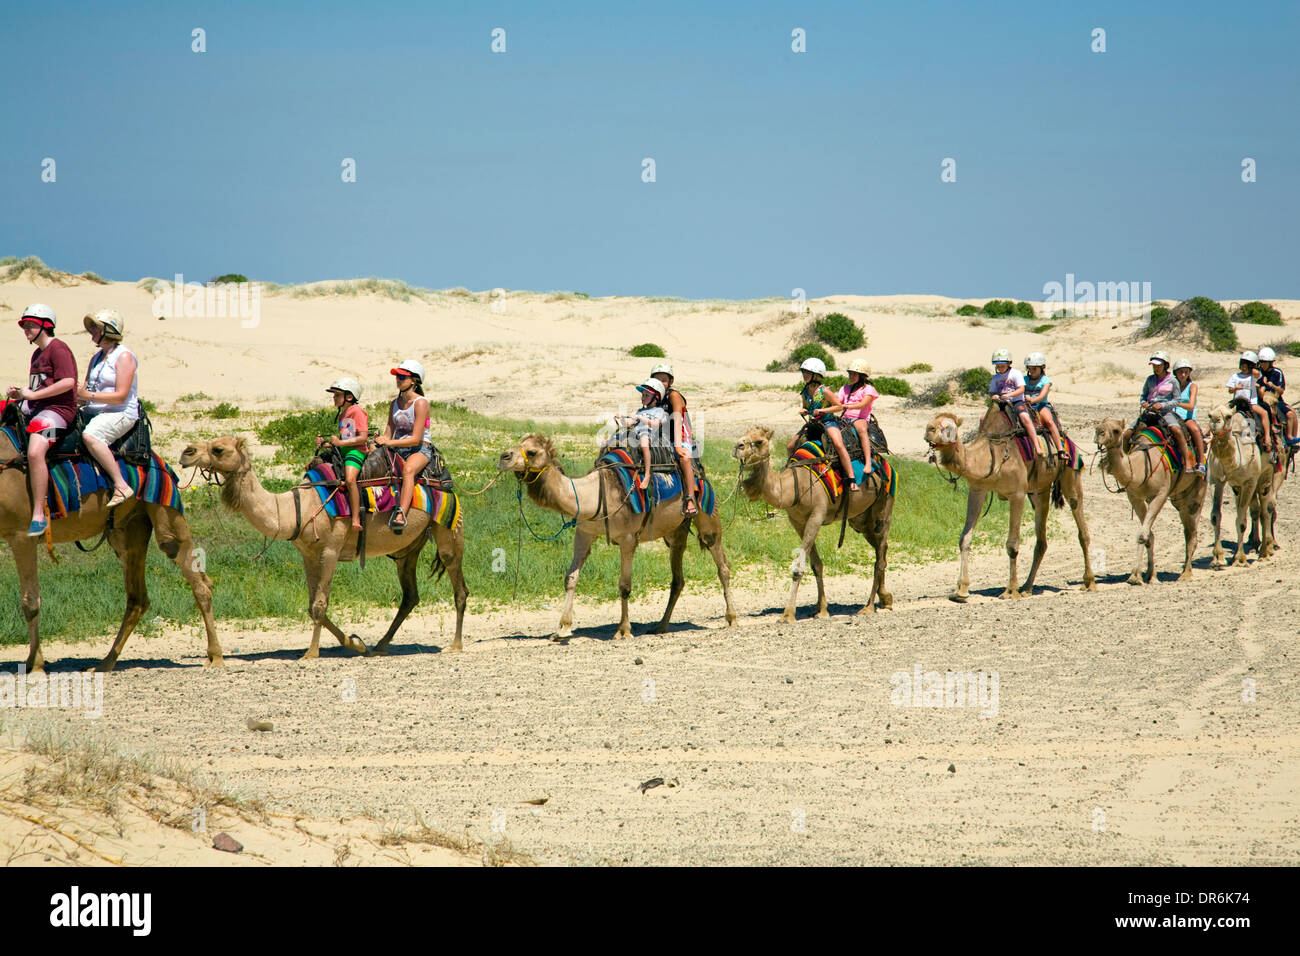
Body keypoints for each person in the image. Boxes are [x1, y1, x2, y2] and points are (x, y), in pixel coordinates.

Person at [6, 304, 77, 536]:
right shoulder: (36, 354)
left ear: (46, 326)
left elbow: (68, 382)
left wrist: (34, 395)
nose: (26, 329)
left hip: (58, 411)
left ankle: (38, 513)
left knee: (36, 451)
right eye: (24, 325)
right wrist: (21, 394)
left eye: (31, 325)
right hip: (37, 407)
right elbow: (40, 386)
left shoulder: (59, 348)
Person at [76, 310, 140, 509]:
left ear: (108, 330)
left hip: (120, 412)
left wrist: (88, 396)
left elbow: (121, 395)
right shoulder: (96, 358)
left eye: (96, 327)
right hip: (94, 410)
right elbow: (85, 390)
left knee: (91, 437)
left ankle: (121, 485)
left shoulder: (124, 356)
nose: (92, 331)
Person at [372, 359, 430, 534]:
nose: (398, 380)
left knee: (408, 471)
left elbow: (415, 439)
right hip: (398, 447)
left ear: (414, 380)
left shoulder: (421, 403)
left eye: (402, 377)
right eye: (397, 376)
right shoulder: (394, 404)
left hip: (419, 449)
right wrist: (378, 441)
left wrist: (389, 442)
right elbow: (389, 431)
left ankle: (401, 513)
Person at [787, 357, 858, 491]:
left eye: (807, 372)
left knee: (838, 444)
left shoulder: (824, 391)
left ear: (816, 375)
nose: (804, 375)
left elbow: (839, 407)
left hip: (828, 422)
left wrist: (822, 410)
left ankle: (851, 478)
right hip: (813, 424)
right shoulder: (805, 391)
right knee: (790, 446)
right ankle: (791, 473)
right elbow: (807, 407)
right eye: (803, 372)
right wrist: (804, 411)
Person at [317, 377, 368, 533]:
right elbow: (347, 437)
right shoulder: (344, 413)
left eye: (337, 395)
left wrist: (340, 443)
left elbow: (363, 438)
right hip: (344, 450)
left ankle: (355, 518)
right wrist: (325, 443)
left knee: (350, 479)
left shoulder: (357, 412)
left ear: (349, 397)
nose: (334, 398)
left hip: (356, 451)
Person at [649, 363, 699, 515]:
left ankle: (690, 498)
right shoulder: (654, 398)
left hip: (681, 437)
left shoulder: (674, 396)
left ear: (670, 381)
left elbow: (677, 419)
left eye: (663, 380)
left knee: (684, 458)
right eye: (657, 380)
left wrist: (678, 445)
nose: (660, 383)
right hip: (662, 439)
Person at [821, 359, 879, 484]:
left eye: (854, 374)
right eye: (850, 374)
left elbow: (863, 404)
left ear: (862, 375)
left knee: (861, 429)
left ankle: (868, 463)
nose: (851, 376)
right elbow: (838, 401)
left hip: (860, 418)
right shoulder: (845, 388)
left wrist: (847, 406)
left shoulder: (868, 389)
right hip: (845, 418)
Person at [1136, 350, 1195, 470]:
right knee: (1128, 432)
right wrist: (1144, 403)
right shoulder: (1149, 379)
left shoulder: (1173, 381)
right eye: (1154, 365)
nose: (1156, 368)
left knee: (1176, 431)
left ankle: (1187, 462)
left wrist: (1162, 406)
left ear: (1165, 366)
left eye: (1159, 365)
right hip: (1149, 412)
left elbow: (1177, 400)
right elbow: (1143, 396)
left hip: (1165, 413)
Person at [614, 379, 668, 489]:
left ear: (656, 397)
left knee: (644, 441)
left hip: (649, 435)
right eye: (642, 395)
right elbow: (628, 424)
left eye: (646, 395)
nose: (643, 398)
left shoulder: (659, 411)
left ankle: (647, 474)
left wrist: (640, 418)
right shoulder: (638, 411)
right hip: (635, 434)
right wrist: (622, 418)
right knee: (610, 440)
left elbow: (655, 424)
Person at [988, 349, 1043, 455]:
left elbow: (1021, 389)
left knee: (1025, 417)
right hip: (1001, 404)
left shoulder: (1016, 373)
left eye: (1002, 365)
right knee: (983, 418)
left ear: (1009, 363)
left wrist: (1009, 395)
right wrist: (994, 396)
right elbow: (992, 392)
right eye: (997, 366)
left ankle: (1037, 445)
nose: (1000, 368)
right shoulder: (995, 378)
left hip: (1016, 402)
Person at [1022, 352, 1067, 461]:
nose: (1031, 372)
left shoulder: (1046, 381)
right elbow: (1020, 390)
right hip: (1026, 405)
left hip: (1040, 405)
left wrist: (1031, 399)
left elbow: (1042, 396)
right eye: (1030, 369)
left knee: (1049, 421)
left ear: (1042, 367)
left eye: (1034, 369)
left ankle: (1060, 449)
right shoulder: (1024, 379)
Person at [1226, 351, 1271, 453]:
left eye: (1246, 366)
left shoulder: (1253, 376)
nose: (1244, 367)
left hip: (1251, 403)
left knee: (1264, 413)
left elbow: (1257, 373)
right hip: (1237, 402)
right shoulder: (1235, 376)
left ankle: (1267, 437)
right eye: (1242, 365)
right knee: (1221, 410)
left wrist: (1253, 364)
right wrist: (1236, 388)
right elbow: (1230, 390)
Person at [1256, 346, 1299, 448]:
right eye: (1261, 361)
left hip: (1275, 399)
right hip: (1260, 399)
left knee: (1291, 414)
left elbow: (1281, 391)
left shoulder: (1277, 373)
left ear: (1271, 362)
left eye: (1265, 362)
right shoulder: (1257, 372)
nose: (1262, 364)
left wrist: (1273, 386)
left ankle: (1290, 438)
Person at [1171, 357, 1207, 474]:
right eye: (1181, 372)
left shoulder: (1192, 386)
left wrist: (1176, 403)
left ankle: (1201, 462)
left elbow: (1191, 406)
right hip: (1172, 415)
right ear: (1175, 373)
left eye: (1186, 372)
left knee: (1195, 429)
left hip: (1186, 418)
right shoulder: (1171, 385)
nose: (1183, 374)